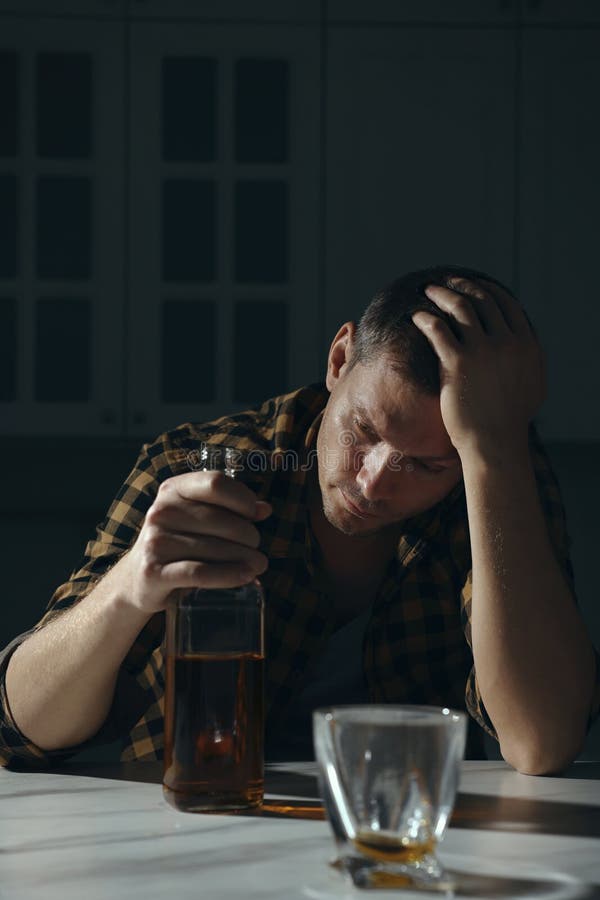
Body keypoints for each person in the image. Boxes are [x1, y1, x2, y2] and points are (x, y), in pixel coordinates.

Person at [1, 265, 598, 774]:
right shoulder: (198, 469)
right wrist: (129, 586)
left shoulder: (495, 473)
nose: (373, 482)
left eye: (426, 465)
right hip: (193, 829)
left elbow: (541, 742)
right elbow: (19, 728)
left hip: (395, 831)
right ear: (339, 360)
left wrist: (493, 455)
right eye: (363, 430)